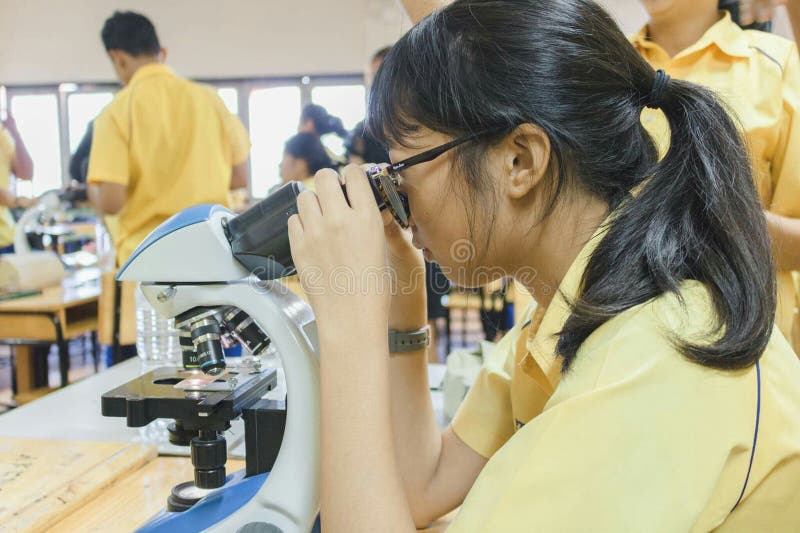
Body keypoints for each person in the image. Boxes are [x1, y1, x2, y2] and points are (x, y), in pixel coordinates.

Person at [287, 0, 800, 530]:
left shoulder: (656, 359)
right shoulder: (574, 307)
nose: (399, 202)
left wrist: (348, 329)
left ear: (521, 160)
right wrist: (400, 306)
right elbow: (423, 485)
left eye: (403, 170)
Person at [631, 1, 800, 346]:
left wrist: (717, 218)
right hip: (623, 340)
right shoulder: (605, 65)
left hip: (743, 345)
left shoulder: (775, 64)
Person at [87, 11, 250, 265]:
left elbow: (111, 202)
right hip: (213, 252)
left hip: (150, 259)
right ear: (160, 51)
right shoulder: (210, 99)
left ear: (117, 57)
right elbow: (239, 177)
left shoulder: (116, 112)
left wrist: (92, 190)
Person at [0, 111, 34, 254]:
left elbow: (25, 173)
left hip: (7, 237)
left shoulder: (3, 136)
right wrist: (16, 201)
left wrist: (14, 132)